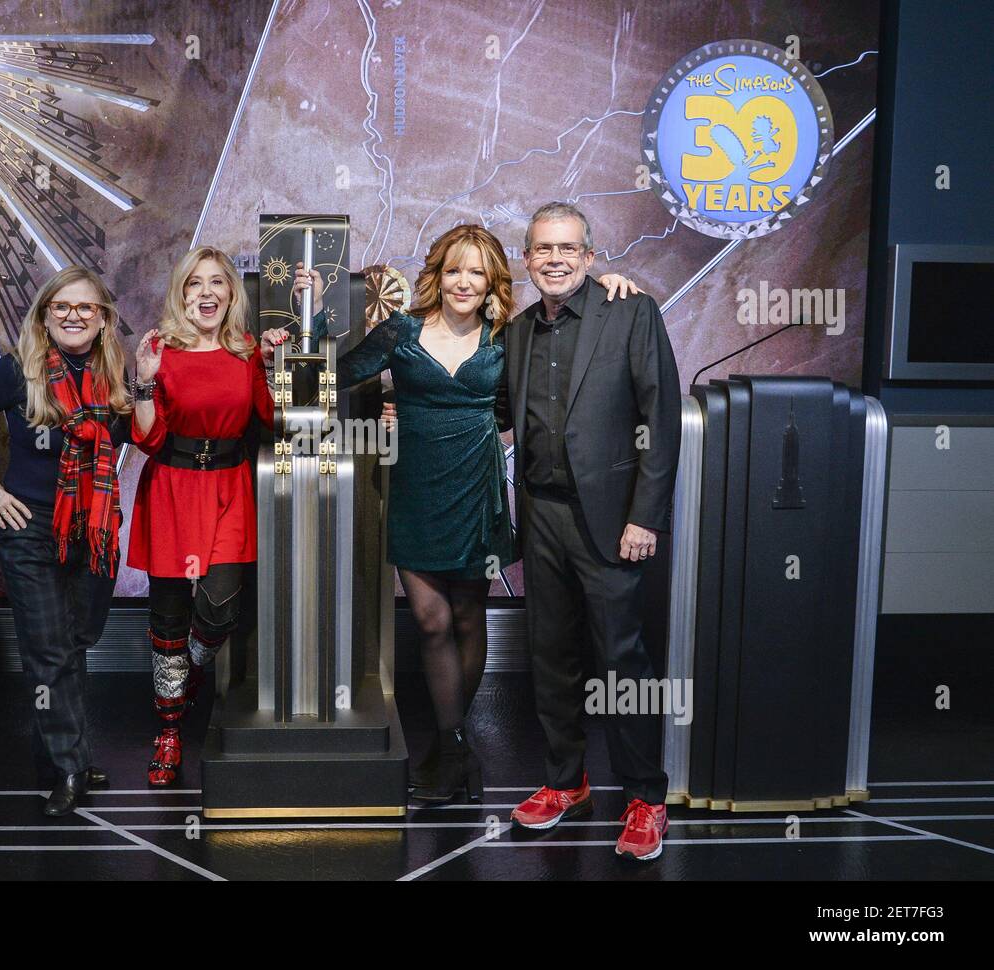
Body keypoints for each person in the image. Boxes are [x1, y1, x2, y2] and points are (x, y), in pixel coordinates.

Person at [295, 227, 637, 803]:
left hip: (476, 490)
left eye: (477, 273)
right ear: (438, 274)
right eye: (455, 270)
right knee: (430, 621)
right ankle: (453, 746)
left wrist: (607, 286)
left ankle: (451, 746)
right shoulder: (400, 331)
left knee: (467, 617)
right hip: (415, 490)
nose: (464, 282)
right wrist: (312, 316)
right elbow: (325, 379)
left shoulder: (509, 337)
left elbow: (546, 379)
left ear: (492, 283)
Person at [497, 202, 681, 862]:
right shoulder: (517, 334)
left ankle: (646, 797)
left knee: (622, 658)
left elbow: (662, 419)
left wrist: (645, 516)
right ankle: (565, 782)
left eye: (568, 248)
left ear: (590, 255)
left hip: (610, 521)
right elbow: (491, 413)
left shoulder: (631, 312)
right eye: (543, 248)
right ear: (526, 259)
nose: (555, 259)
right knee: (550, 655)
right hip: (541, 515)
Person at [0, 265, 133, 817]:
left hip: (93, 526)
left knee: (76, 642)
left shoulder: (117, 375)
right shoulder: (18, 371)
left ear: (102, 320)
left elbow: (144, 432)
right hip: (29, 529)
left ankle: (56, 755)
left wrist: (147, 381)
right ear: (46, 316)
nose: (74, 316)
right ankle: (72, 770)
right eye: (62, 307)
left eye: (86, 308)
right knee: (49, 649)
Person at [128, 246, 290, 787]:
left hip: (228, 487)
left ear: (230, 294)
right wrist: (144, 380)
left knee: (219, 608)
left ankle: (188, 673)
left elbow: (277, 418)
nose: (206, 292)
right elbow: (148, 438)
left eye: (217, 282)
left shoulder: (246, 352)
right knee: (169, 615)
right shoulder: (160, 350)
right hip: (172, 488)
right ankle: (169, 731)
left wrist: (276, 365)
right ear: (181, 292)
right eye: (195, 283)